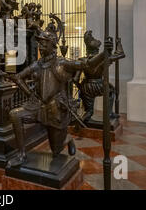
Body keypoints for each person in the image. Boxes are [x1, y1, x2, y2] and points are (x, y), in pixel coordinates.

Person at [6, 26, 113, 167]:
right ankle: (22, 155)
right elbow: (18, 77)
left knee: (56, 150)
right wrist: (30, 94)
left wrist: (104, 53)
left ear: (52, 44)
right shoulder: (37, 64)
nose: (40, 46)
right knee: (15, 115)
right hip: (38, 106)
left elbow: (86, 64)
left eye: (44, 43)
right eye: (39, 43)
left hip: (55, 108)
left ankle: (67, 140)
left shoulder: (62, 63)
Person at [74, 31, 125, 123]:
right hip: (99, 85)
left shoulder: (81, 60)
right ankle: (109, 113)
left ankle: (83, 119)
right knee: (112, 90)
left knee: (89, 112)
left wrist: (81, 88)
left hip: (86, 87)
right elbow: (121, 54)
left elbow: (75, 79)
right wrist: (119, 43)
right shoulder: (104, 59)